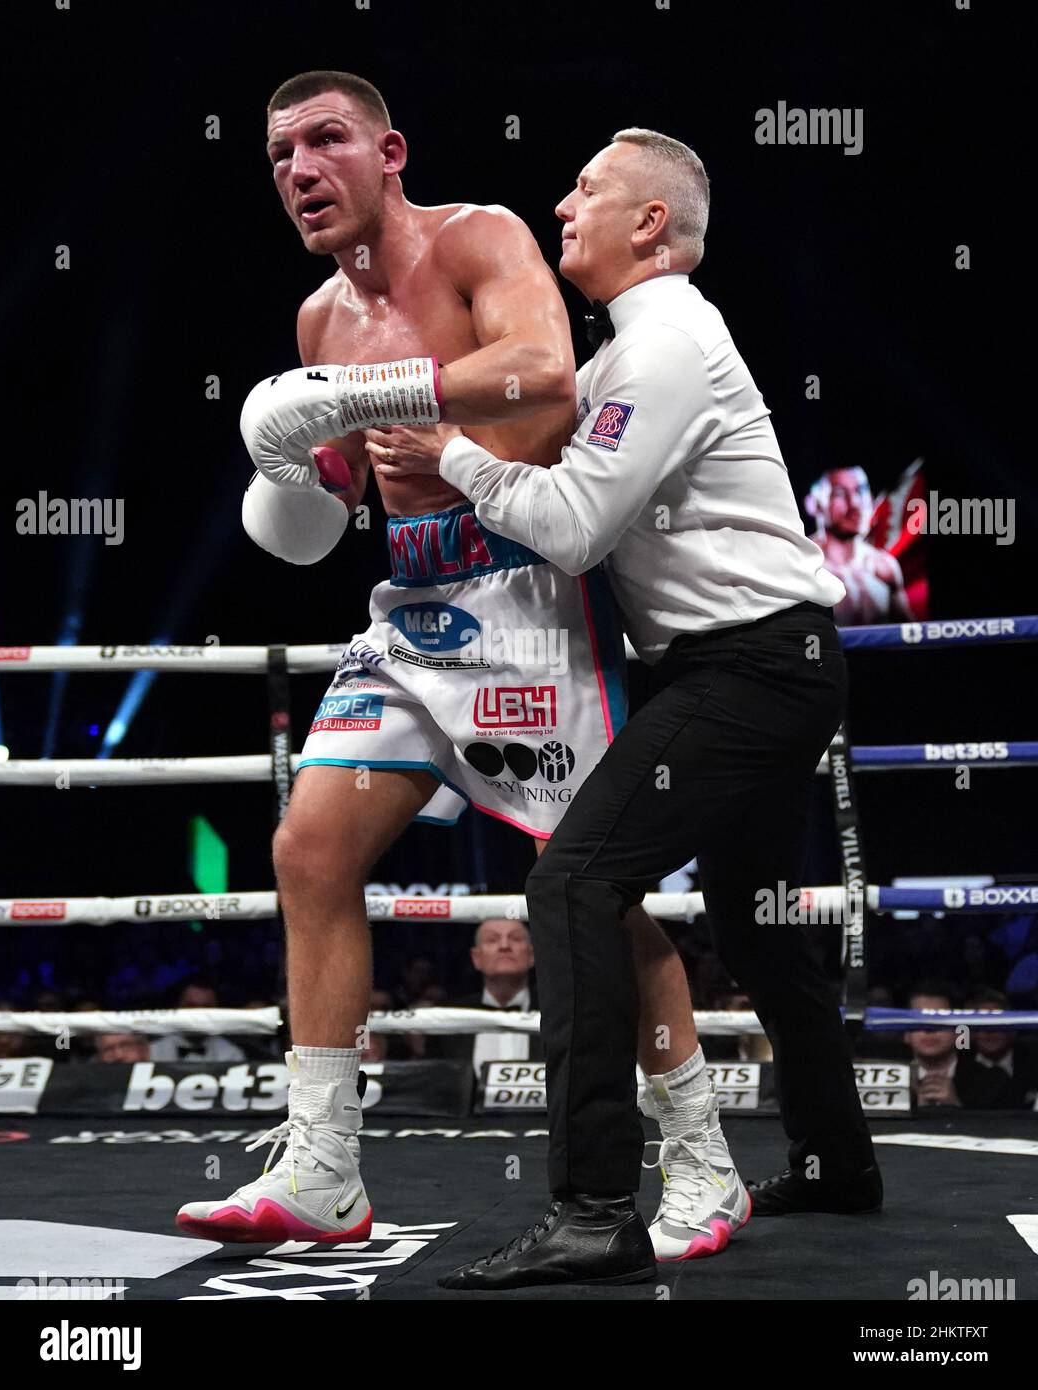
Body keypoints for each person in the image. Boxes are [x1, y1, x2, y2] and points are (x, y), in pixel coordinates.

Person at [178, 74, 744, 1262]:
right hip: (411, 606)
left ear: (388, 151)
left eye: (324, 139)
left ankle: (701, 1155)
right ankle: (323, 1163)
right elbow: (329, 508)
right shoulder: (314, 322)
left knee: (590, 896)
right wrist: (291, 461)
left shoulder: (478, 234)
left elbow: (543, 374)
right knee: (307, 846)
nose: (298, 168)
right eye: (278, 152)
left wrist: (353, 395)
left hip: (529, 598)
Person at [373, 128, 882, 1288]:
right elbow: (549, 472)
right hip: (751, 667)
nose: (562, 204)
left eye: (588, 189)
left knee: (573, 883)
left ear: (650, 223)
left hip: (749, 670)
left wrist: (448, 450)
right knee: (754, 915)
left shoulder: (664, 343)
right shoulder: (622, 358)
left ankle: (595, 1205)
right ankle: (838, 1160)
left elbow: (568, 525)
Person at [431, 918, 544, 1072]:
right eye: (492, 940)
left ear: (531, 955)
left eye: (515, 939)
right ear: (476, 958)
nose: (504, 946)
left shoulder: (557, 1015)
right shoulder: (447, 1017)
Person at [806, 467, 913, 625]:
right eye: (840, 493)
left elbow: (909, 637)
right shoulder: (803, 562)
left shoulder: (884, 567)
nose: (854, 503)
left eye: (861, 491)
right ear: (814, 504)